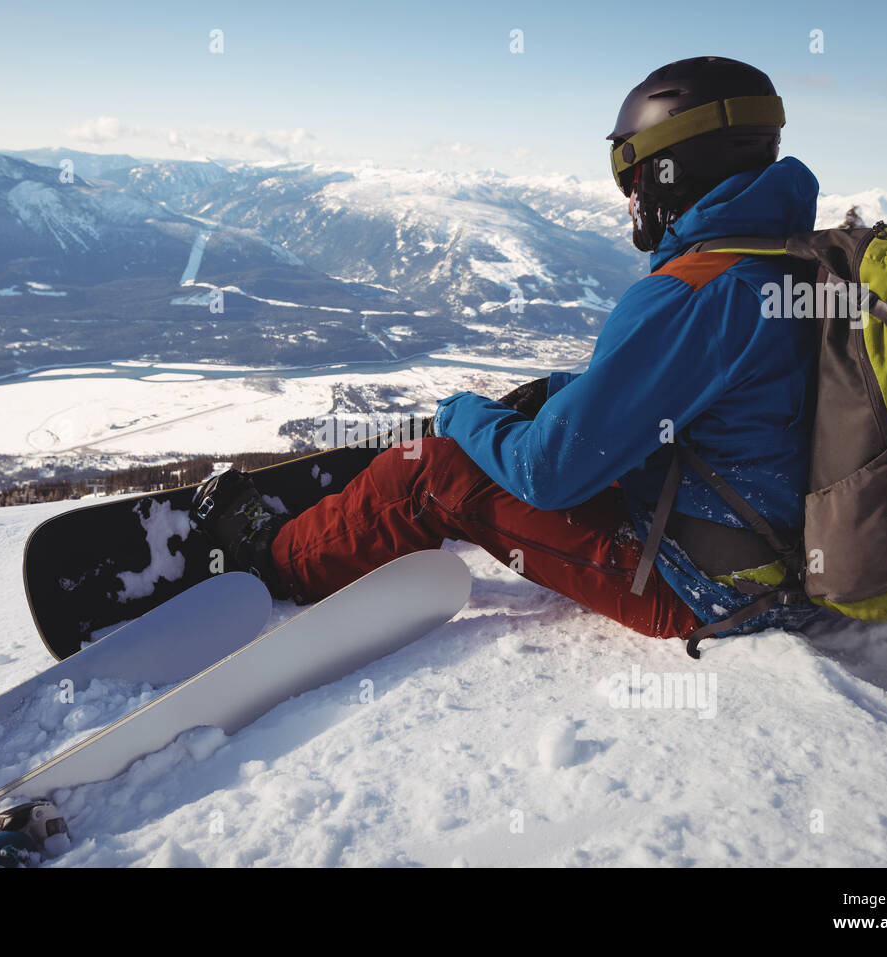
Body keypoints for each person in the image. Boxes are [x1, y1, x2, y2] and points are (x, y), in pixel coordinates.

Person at [192, 56, 822, 652]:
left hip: (703, 588)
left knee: (430, 472)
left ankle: (282, 560)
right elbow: (709, 389)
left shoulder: (694, 292)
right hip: (775, 553)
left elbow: (547, 475)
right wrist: (557, 392)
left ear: (671, 170)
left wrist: (459, 413)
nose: (631, 199)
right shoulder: (788, 264)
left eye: (632, 175)